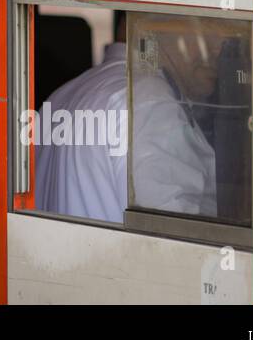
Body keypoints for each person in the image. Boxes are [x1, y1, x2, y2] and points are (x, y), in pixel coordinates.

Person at [34, 12, 217, 223]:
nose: (217, 48)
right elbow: (173, 238)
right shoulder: (148, 100)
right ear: (152, 29)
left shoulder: (60, 96)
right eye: (204, 28)